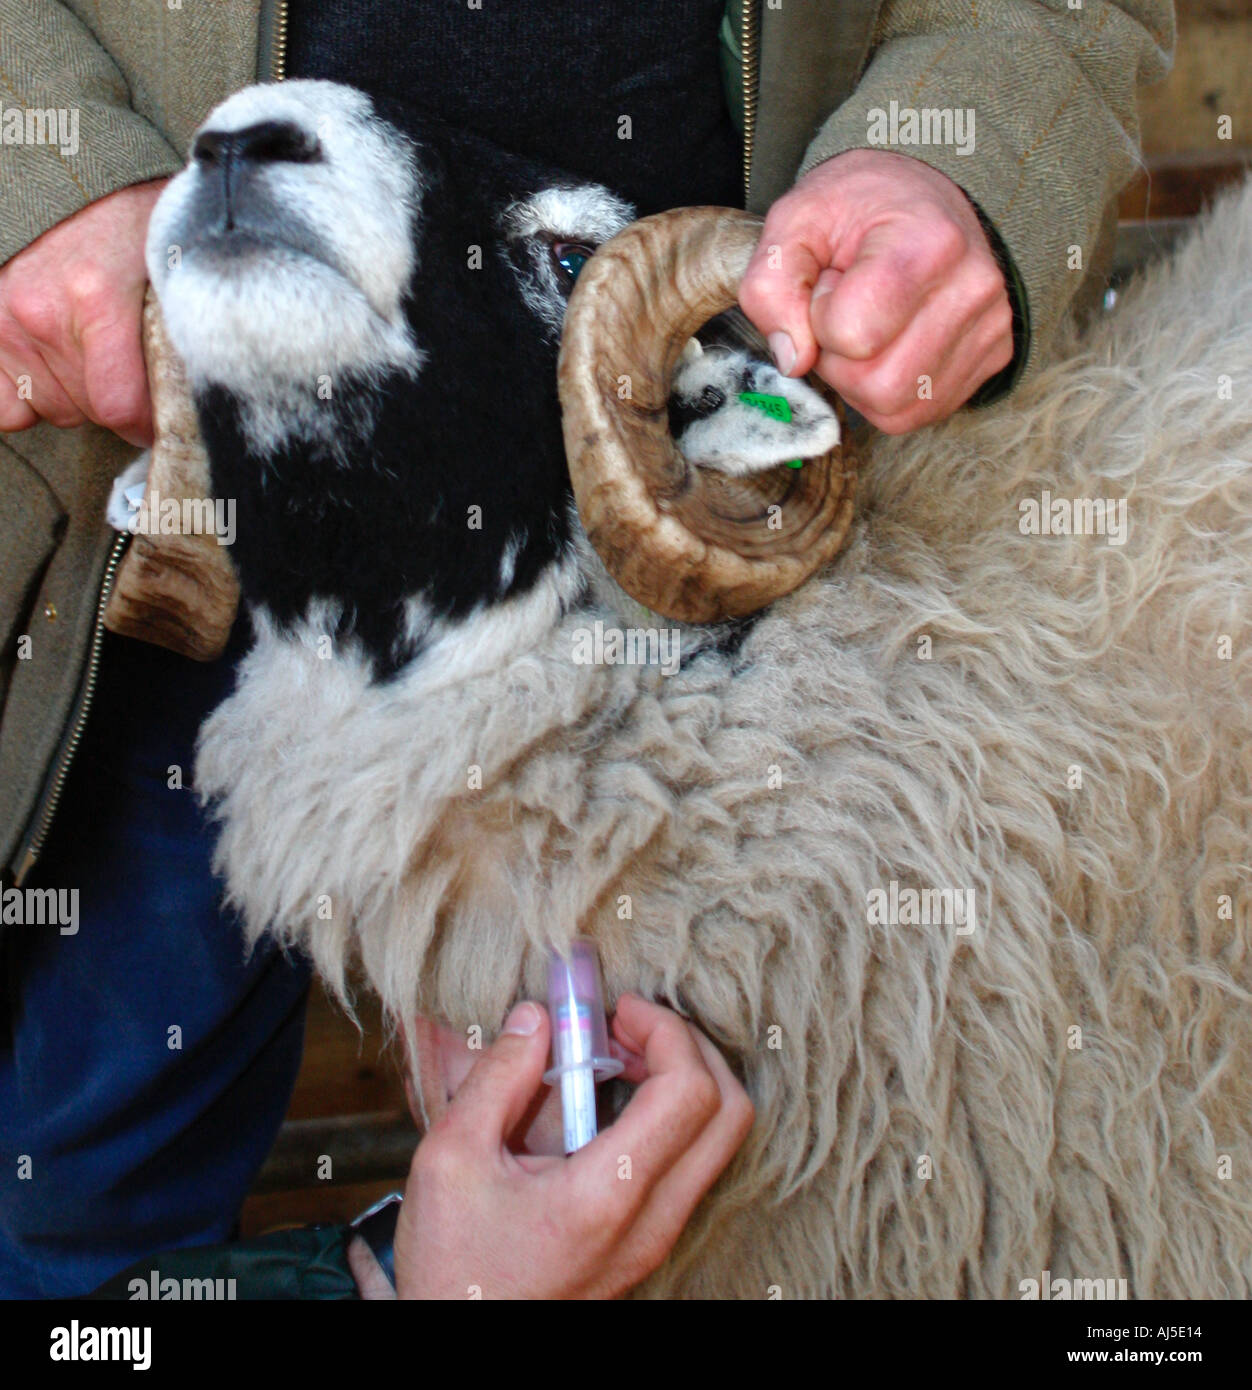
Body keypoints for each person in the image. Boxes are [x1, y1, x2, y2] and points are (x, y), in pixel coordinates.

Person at [0, 0, 1173, 1298]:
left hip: (715, 589)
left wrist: (957, 156)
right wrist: (40, 172)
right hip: (162, 495)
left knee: (768, 1196)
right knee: (74, 1212)